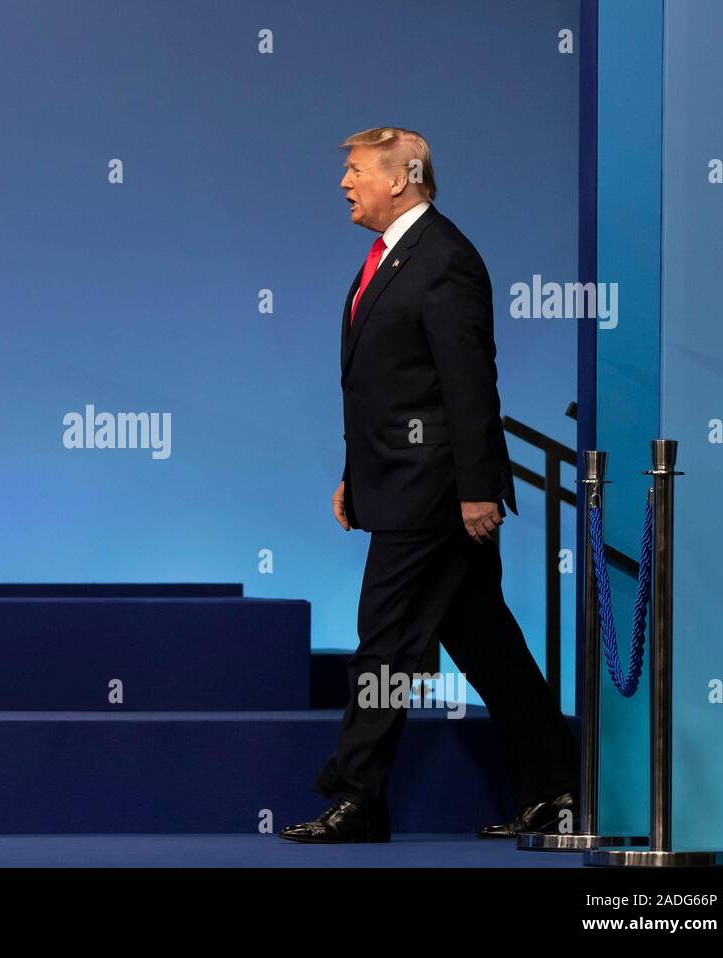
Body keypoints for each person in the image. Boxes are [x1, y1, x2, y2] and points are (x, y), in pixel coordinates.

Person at [279, 127, 580, 843]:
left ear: (400, 178)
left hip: (437, 495)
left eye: (355, 171)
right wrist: (356, 477)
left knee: (383, 641)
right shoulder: (388, 259)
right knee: (486, 643)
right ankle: (563, 789)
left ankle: (359, 799)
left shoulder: (444, 259)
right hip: (404, 485)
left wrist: (477, 489)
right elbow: (387, 387)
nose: (345, 184)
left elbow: (467, 382)